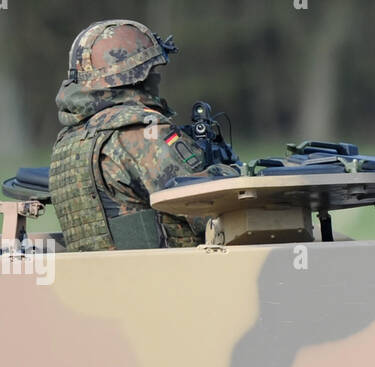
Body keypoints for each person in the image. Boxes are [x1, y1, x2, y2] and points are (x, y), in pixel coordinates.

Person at [49, 20, 239, 251]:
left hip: (101, 281)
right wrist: (234, 171)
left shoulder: (70, 139)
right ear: (137, 75)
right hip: (166, 279)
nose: (156, 78)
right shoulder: (139, 131)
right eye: (153, 70)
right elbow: (206, 207)